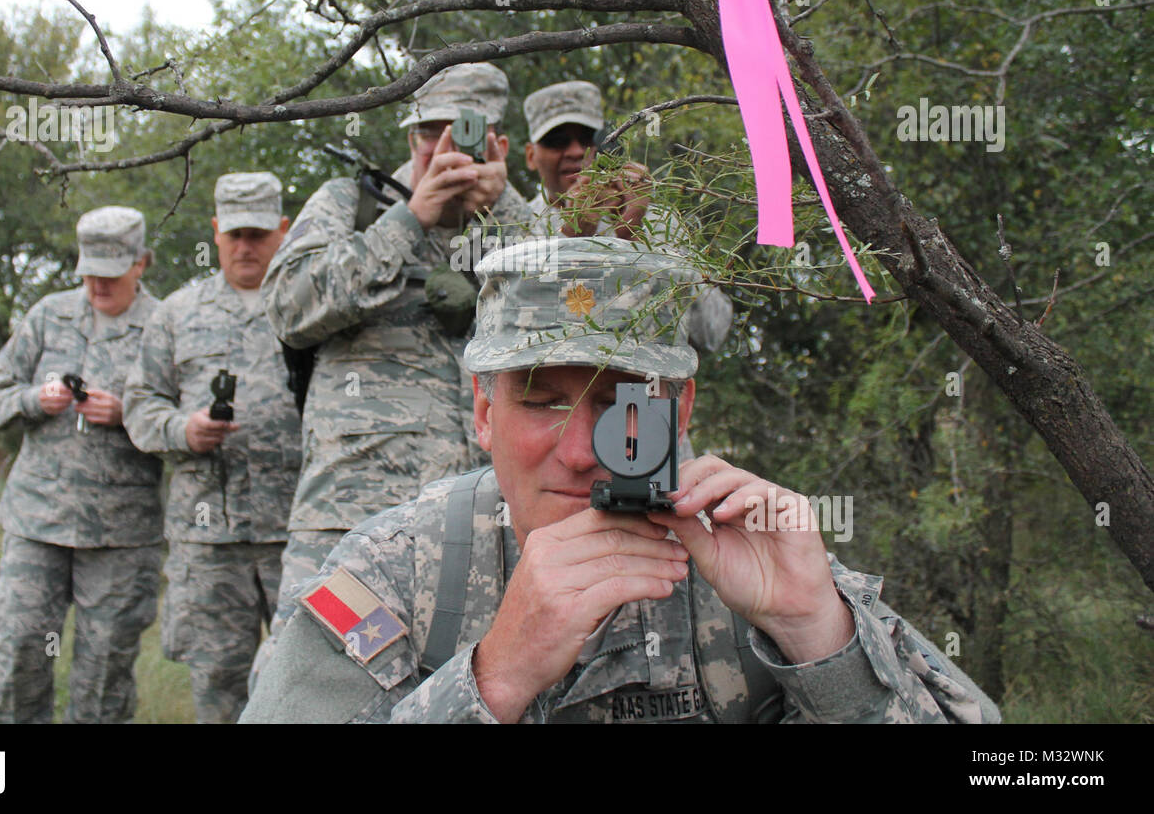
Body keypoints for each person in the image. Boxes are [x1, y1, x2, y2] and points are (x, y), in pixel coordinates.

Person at [241, 236, 1000, 723]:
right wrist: (490, 683)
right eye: (540, 400)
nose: (578, 451)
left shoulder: (751, 564)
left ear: (681, 406)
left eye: (621, 404)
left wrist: (819, 637)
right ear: (481, 411)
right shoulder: (399, 572)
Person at [258, 62, 535, 600]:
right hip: (351, 517)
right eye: (431, 131)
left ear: (496, 144)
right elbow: (288, 308)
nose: (444, 146)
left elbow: (577, 318)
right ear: (411, 137)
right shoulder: (351, 203)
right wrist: (410, 219)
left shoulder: (517, 225)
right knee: (318, 676)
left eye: (465, 131)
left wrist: (505, 212)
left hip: (485, 520)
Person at [123, 172, 301, 723]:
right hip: (209, 539)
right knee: (218, 687)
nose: (246, 247)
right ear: (216, 231)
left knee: (309, 683)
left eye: (258, 234)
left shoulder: (309, 309)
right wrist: (184, 429)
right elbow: (141, 404)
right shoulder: (176, 313)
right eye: (234, 235)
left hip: (298, 531)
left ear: (282, 230)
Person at [0, 205, 162, 723]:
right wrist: (37, 399)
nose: (97, 284)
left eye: (110, 272)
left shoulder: (165, 325)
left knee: (104, 671)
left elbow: (186, 423)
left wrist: (127, 415)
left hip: (122, 534)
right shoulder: (48, 315)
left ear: (140, 263)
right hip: (36, 521)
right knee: (19, 651)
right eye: (89, 272)